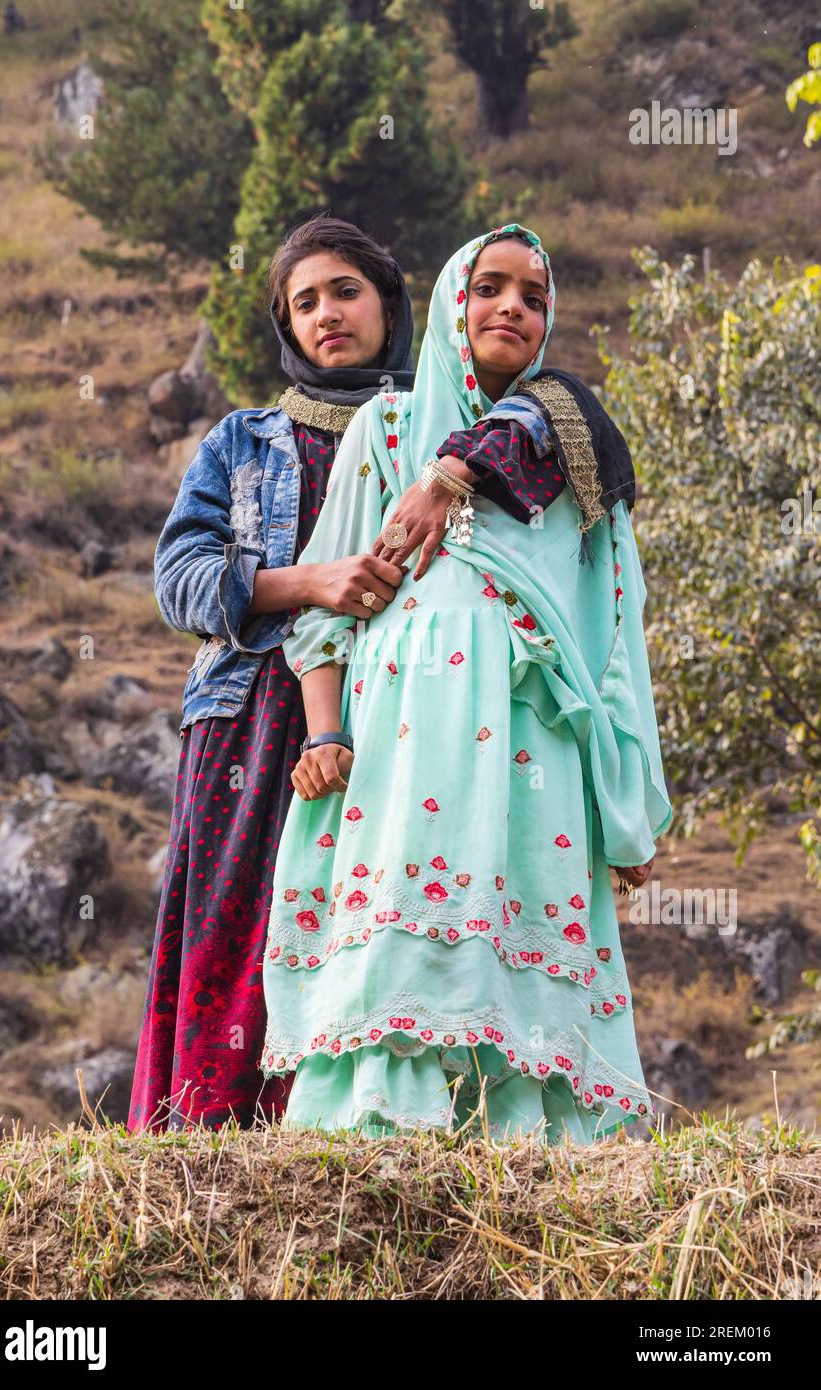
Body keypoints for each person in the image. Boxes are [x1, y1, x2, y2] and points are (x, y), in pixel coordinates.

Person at [259, 222, 673, 1144]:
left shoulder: (573, 452)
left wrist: (628, 795)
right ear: (454, 301)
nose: (512, 308)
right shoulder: (390, 427)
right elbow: (327, 606)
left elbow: (613, 633)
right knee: (409, 904)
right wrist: (325, 734)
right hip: (410, 727)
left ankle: (522, 1127)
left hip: (541, 734)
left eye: (533, 295)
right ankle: (384, 1117)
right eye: (491, 287)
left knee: (520, 903)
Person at [127, 215, 416, 1134]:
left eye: (345, 291)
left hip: (401, 711)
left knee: (371, 912)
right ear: (286, 330)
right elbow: (179, 582)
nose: (327, 314)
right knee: (236, 920)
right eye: (304, 302)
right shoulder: (242, 443)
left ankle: (348, 1124)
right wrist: (308, 582)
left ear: (388, 304)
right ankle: (213, 1125)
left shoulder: (441, 443)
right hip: (252, 715)